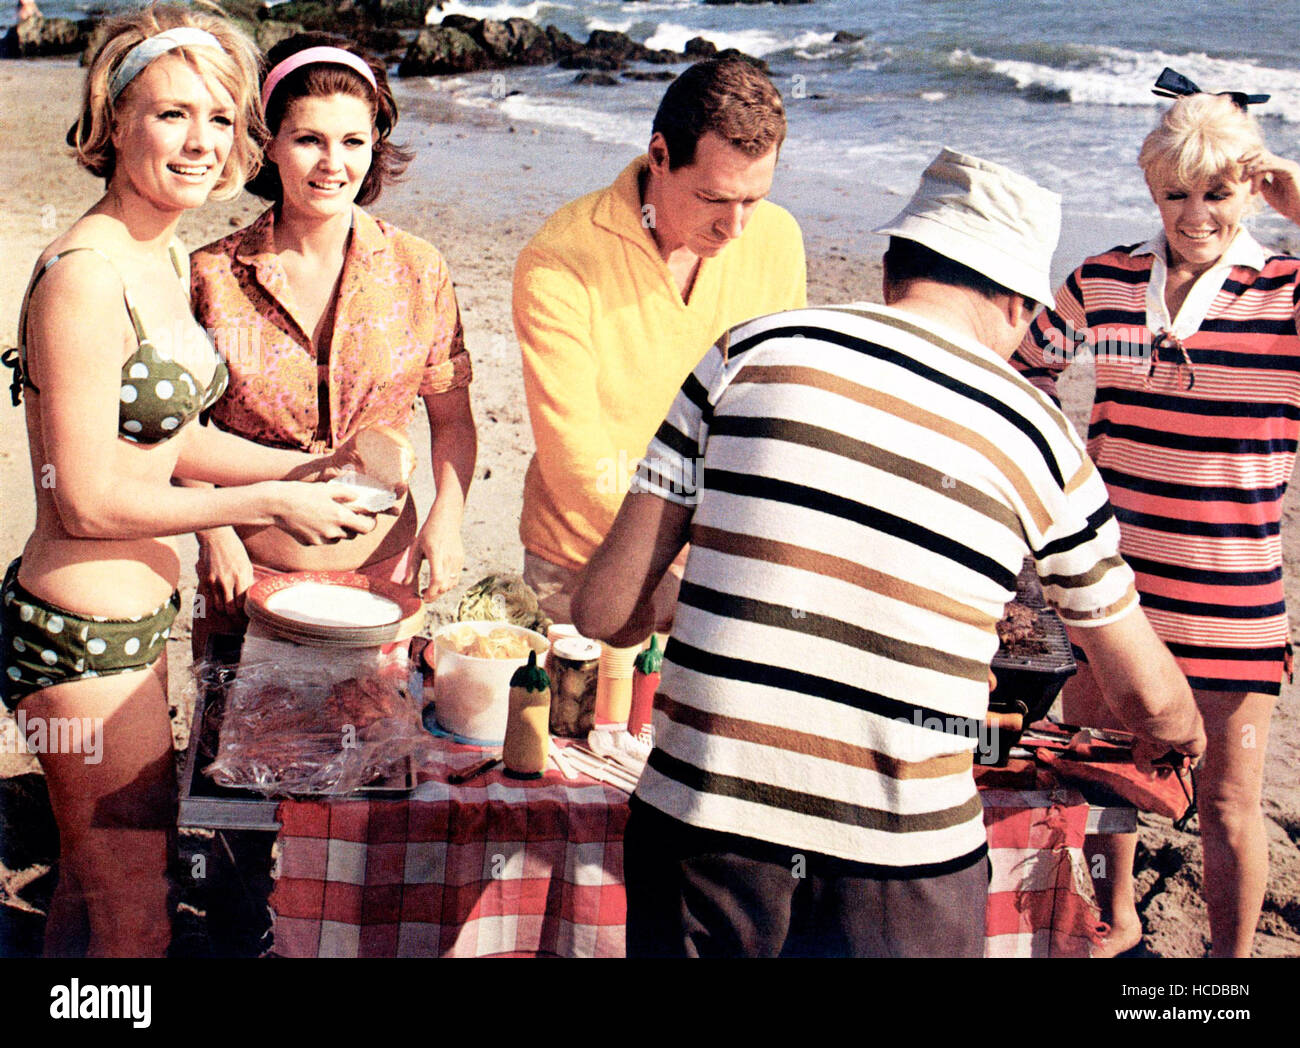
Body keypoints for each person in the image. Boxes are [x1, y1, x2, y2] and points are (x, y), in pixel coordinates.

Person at [572, 148, 1206, 958]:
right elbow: (1143, 695)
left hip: (701, 832)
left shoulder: (745, 352)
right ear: (1018, 306)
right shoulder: (1037, 434)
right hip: (896, 866)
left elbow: (604, 612)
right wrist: (1183, 729)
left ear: (889, 270)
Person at [0, 6, 378, 957]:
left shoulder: (159, 253)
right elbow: (87, 499)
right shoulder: (85, 276)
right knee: (137, 918)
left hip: (124, 630)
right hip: (81, 641)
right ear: (113, 121)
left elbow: (173, 438)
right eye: (172, 116)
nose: (202, 143)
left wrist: (309, 466)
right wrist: (271, 502)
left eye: (220, 118)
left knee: (87, 901)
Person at [1011, 76, 1300, 958]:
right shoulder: (1104, 279)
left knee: (1225, 805)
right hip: (1111, 595)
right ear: (1150, 188)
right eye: (1176, 192)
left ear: (1252, 189)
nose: (1196, 213)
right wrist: (1059, 478)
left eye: (1217, 191)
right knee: (1104, 780)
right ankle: (1117, 926)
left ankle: (1227, 972)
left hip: (1236, 604)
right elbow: (1023, 377)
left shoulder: (1287, 294)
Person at [188, 33, 477, 656]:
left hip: (384, 587)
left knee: (375, 754)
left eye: (352, 141)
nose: (333, 164)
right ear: (268, 144)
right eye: (308, 140)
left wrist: (446, 521)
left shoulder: (419, 269)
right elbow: (176, 437)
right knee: (240, 756)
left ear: (376, 146)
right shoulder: (209, 276)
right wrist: (216, 538)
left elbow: (452, 423)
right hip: (246, 581)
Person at [514, 57, 806, 627]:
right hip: (581, 564)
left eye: (754, 199)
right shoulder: (559, 259)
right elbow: (576, 464)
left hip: (724, 563)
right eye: (714, 199)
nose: (736, 227)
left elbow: (776, 407)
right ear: (659, 156)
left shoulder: (779, 238)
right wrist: (685, 561)